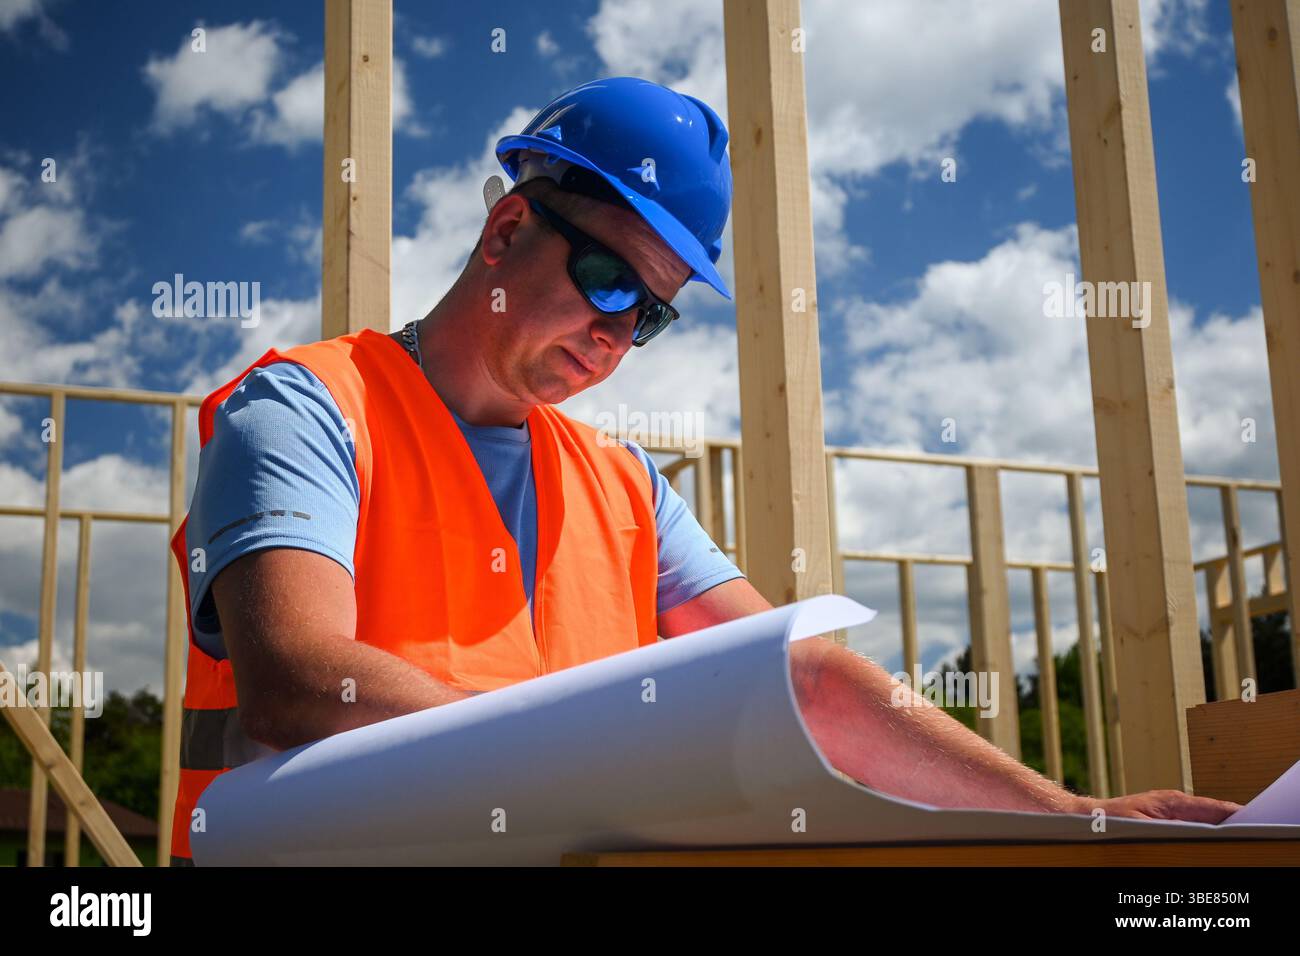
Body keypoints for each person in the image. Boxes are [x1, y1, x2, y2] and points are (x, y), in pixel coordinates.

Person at [166, 77, 1238, 866]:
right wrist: (612, 765)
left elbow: (805, 678)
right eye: (605, 278)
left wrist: (1068, 815)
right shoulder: (308, 406)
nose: (616, 330)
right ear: (504, 233)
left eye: (653, 313)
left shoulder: (625, 485)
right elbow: (301, 675)